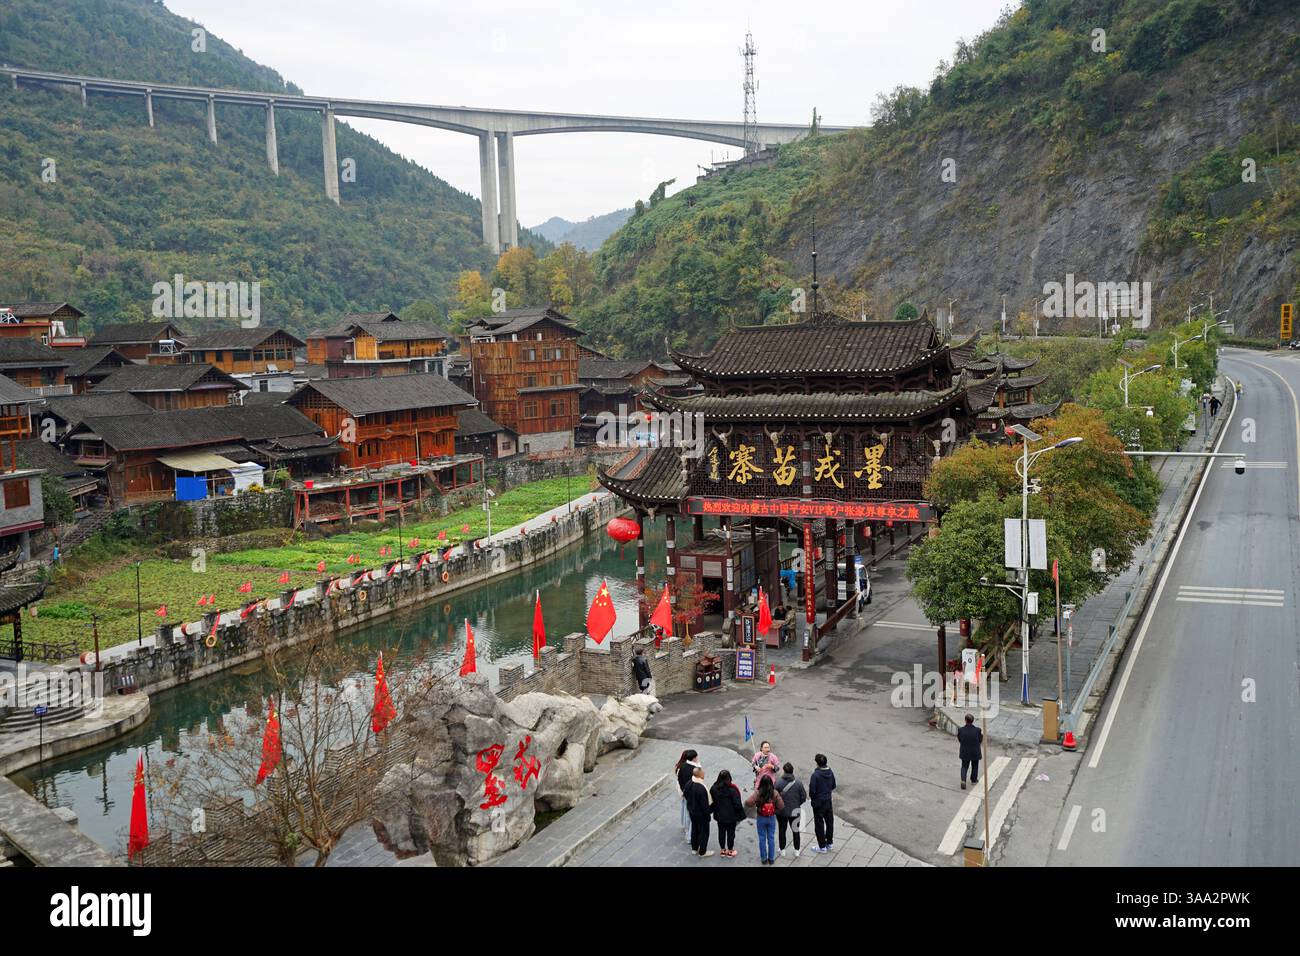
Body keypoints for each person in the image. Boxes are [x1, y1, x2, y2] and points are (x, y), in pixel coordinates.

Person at [744, 774, 784, 864]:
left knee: (762, 838)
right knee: (771, 838)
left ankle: (763, 859)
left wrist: (756, 803)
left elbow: (748, 802)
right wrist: (774, 808)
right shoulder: (774, 793)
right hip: (771, 817)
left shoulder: (758, 793)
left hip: (761, 817)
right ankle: (771, 858)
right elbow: (781, 806)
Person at [775, 762, 807, 858]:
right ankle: (797, 850)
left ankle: (782, 850)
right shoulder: (798, 783)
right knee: (795, 830)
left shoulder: (778, 782)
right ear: (792, 771)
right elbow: (803, 797)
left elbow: (774, 796)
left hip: (781, 812)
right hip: (795, 811)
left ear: (784, 771)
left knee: (782, 830)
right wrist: (797, 804)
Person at [710, 769, 745, 859]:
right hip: (731, 817)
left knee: (721, 832)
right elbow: (737, 804)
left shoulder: (714, 788)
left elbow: (712, 801)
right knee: (731, 833)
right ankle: (730, 851)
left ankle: (722, 850)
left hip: (719, 815)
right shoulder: (732, 790)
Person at [808, 753, 836, 853]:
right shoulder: (830, 772)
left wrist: (814, 798)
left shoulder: (815, 775)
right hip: (828, 801)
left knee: (819, 824)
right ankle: (829, 843)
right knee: (829, 822)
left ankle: (822, 846)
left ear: (817, 763)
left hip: (819, 803)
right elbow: (833, 785)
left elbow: (812, 791)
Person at [684, 766, 714, 857]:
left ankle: (694, 848)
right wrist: (708, 816)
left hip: (692, 811)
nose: (704, 774)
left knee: (694, 829)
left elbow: (685, 795)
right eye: (703, 773)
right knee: (704, 832)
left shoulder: (689, 783)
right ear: (699, 775)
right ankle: (702, 852)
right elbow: (705, 805)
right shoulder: (701, 788)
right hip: (701, 814)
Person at [675, 749, 700, 843]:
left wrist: (683, 791)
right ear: (694, 758)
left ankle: (686, 829)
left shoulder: (682, 766)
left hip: (684, 793)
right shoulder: (695, 769)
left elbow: (680, 779)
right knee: (691, 816)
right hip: (691, 795)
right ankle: (689, 836)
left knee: (686, 811)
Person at [958, 713, 983, 790]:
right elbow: (980, 740)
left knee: (964, 766)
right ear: (973, 721)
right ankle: (974, 780)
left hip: (965, 751)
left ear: (965, 720)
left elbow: (960, 739)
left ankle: (963, 780)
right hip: (975, 751)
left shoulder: (961, 730)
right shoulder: (978, 730)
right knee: (975, 765)